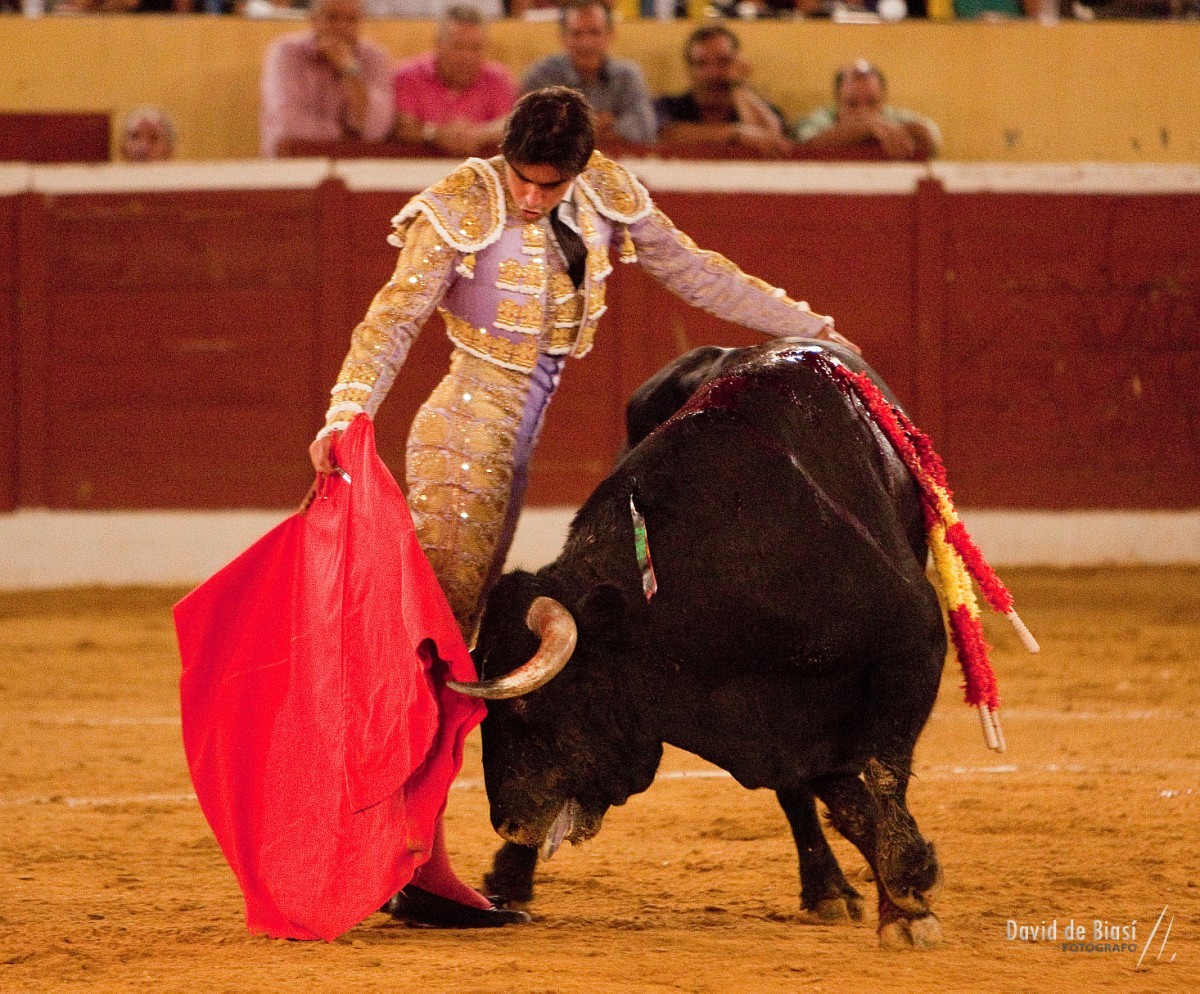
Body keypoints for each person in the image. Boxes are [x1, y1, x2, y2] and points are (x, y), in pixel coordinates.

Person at [310, 85, 852, 642]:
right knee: (443, 614)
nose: (528, 196)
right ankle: (387, 726)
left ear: (579, 168)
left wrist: (808, 326)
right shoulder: (461, 201)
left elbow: (694, 270)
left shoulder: (602, 190)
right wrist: (347, 410)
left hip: (517, 434)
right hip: (464, 431)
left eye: (549, 185)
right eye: (519, 175)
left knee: (461, 618)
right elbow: (392, 319)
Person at [259, 0, 394, 158]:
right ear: (313, 20)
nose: (341, 27)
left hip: (357, 164)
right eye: (332, 18)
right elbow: (288, 122)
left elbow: (378, 128)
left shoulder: (375, 57)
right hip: (294, 160)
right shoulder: (286, 52)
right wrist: (345, 139)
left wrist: (350, 71)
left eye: (351, 19)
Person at [520, 0, 657, 147]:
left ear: (610, 35)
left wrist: (568, 128)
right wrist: (596, 126)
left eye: (595, 32)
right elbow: (527, 132)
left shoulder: (627, 75)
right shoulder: (543, 75)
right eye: (577, 33)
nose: (586, 43)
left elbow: (645, 129)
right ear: (562, 37)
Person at [391, 5, 517, 157]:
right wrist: (435, 134)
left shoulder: (498, 78)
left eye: (475, 48)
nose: (466, 57)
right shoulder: (408, 76)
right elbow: (402, 126)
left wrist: (479, 135)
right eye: (457, 46)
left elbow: (510, 124)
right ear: (437, 44)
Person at [654, 23, 792, 158]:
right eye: (701, 63)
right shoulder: (668, 106)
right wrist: (735, 134)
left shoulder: (758, 108)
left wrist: (738, 83)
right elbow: (663, 134)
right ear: (690, 71)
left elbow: (772, 143)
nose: (713, 72)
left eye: (724, 61)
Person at [793, 59, 941, 162]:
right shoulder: (821, 118)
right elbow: (803, 145)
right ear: (837, 102)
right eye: (852, 103)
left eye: (871, 102)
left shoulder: (895, 116)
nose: (863, 112)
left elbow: (931, 136)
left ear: (883, 101)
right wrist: (867, 127)